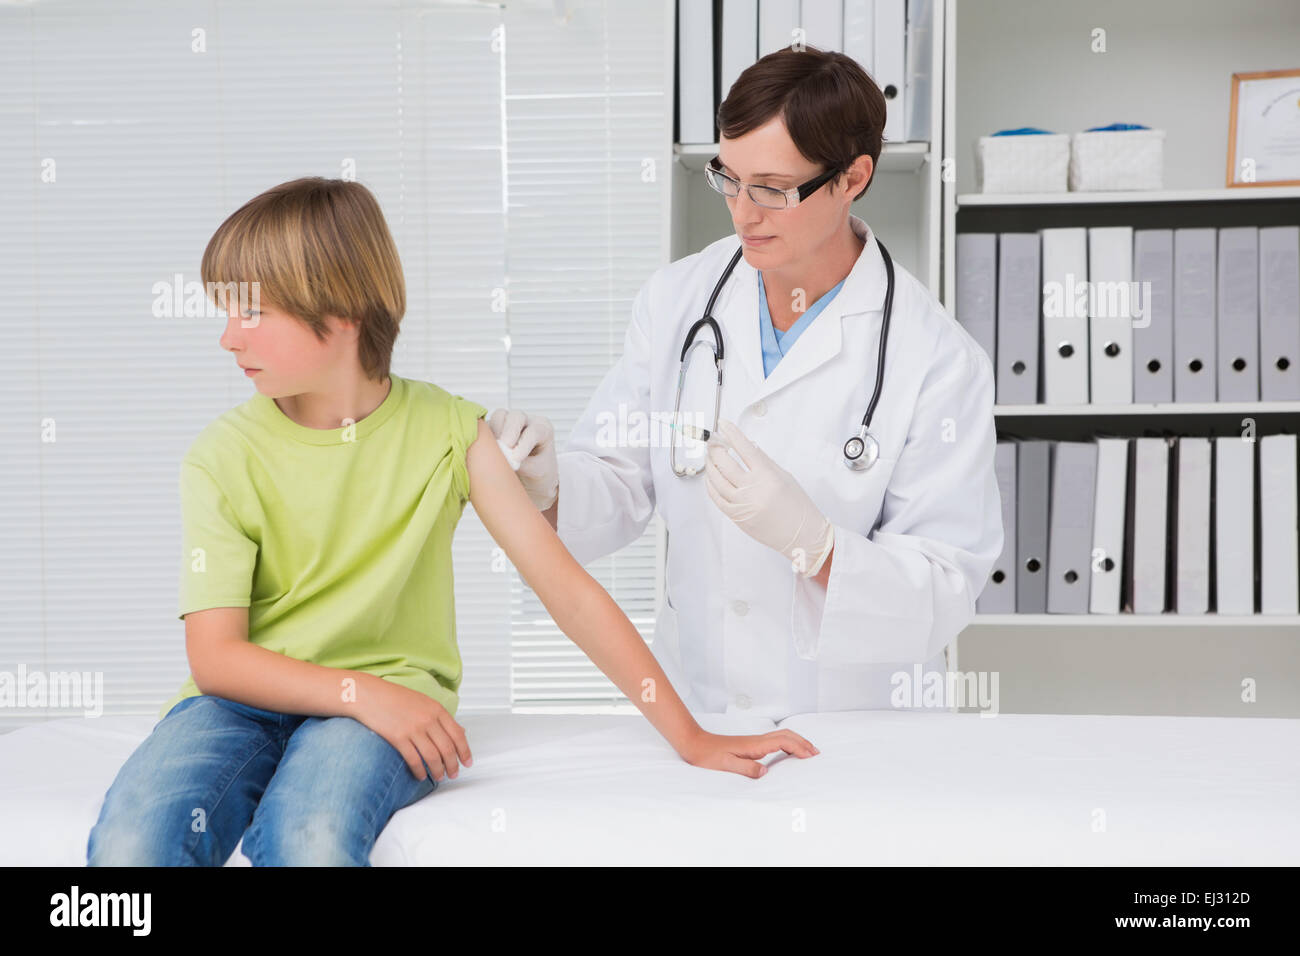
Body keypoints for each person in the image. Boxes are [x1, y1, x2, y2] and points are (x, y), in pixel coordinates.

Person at [87, 177, 816, 867]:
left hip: (383, 705)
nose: (228, 338)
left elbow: (568, 593)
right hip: (246, 706)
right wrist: (361, 693)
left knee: (312, 832)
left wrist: (689, 735)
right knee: (132, 841)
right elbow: (217, 658)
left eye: (251, 312)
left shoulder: (450, 433)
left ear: (338, 309)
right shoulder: (223, 455)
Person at [490, 46, 1003, 719]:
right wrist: (550, 483)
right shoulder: (677, 301)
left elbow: (944, 590)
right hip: (699, 710)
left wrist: (816, 547)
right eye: (728, 178)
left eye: (772, 189)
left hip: (856, 729)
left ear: (852, 178)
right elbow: (621, 482)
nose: (743, 212)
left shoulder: (936, 357)